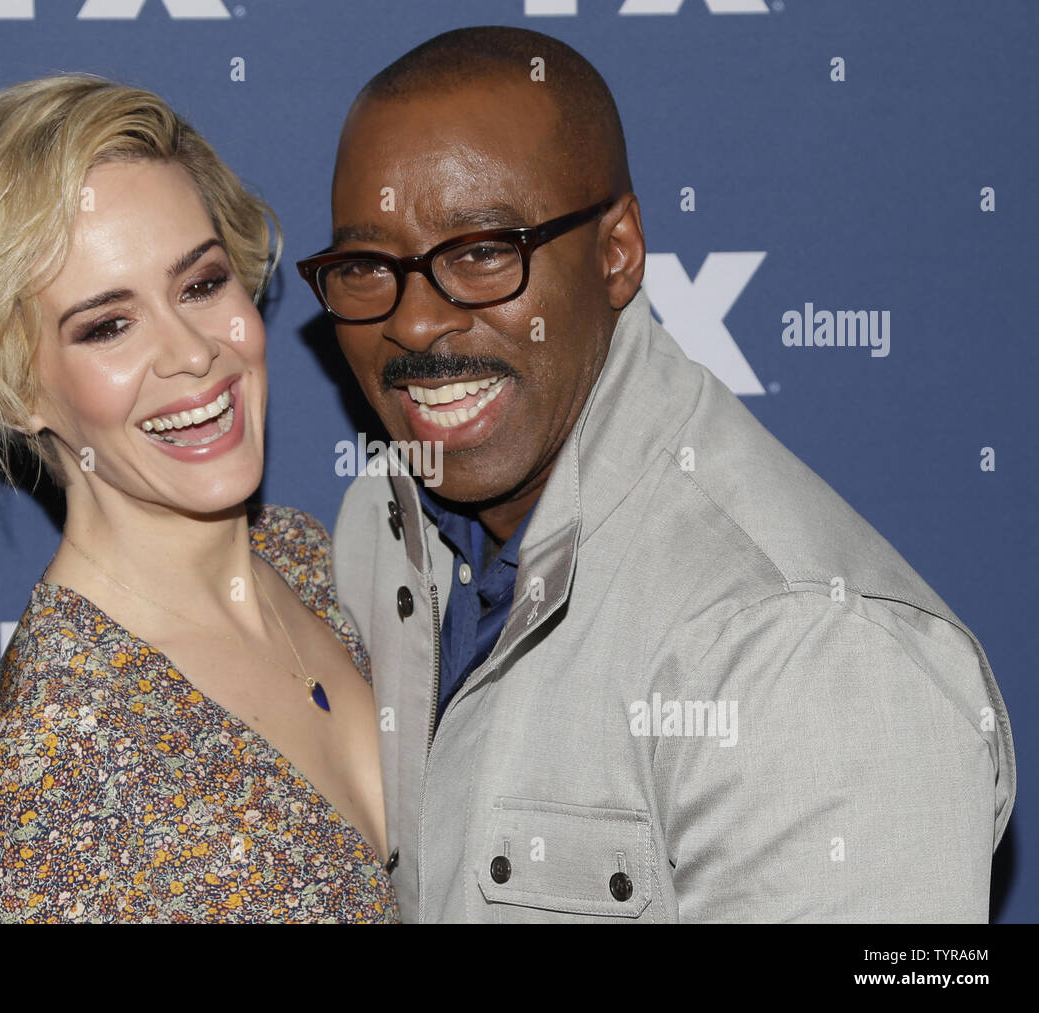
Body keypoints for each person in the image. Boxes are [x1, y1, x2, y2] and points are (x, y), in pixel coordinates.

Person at [297, 26, 1015, 922]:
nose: (414, 322)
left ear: (617, 252)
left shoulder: (811, 657)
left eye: (481, 252)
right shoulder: (380, 518)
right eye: (367, 267)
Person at [0, 74, 396, 923]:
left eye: (200, 284)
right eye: (108, 325)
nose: (191, 352)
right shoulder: (51, 780)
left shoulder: (321, 561)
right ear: (14, 391)